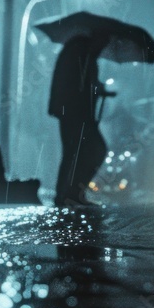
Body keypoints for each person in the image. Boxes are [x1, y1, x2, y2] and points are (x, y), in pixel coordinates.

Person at [50, 34, 112, 207]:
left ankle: (68, 193)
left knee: (75, 152)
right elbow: (78, 86)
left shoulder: (82, 54)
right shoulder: (81, 54)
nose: (103, 49)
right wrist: (95, 90)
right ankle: (70, 193)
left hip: (75, 112)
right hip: (76, 113)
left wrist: (97, 90)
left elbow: (82, 84)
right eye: (103, 43)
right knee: (88, 151)